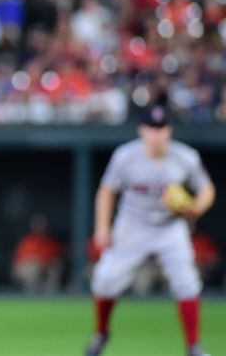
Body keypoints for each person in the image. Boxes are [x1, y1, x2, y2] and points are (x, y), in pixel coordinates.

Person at [84, 105, 216, 356]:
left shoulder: (186, 157)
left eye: (161, 128)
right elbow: (106, 191)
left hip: (170, 228)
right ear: (141, 130)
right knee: (104, 280)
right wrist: (102, 227)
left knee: (187, 282)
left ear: (169, 130)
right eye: (152, 129)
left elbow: (206, 189)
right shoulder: (125, 156)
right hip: (132, 225)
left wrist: (197, 208)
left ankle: (193, 345)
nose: (157, 134)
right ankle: (101, 333)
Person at [11, 214, 63, 294]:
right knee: (33, 268)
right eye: (37, 224)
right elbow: (18, 262)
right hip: (28, 269)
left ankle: (50, 296)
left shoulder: (50, 242)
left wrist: (43, 264)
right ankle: (31, 295)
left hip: (45, 268)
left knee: (55, 267)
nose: (40, 227)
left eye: (42, 224)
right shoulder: (27, 241)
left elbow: (56, 257)